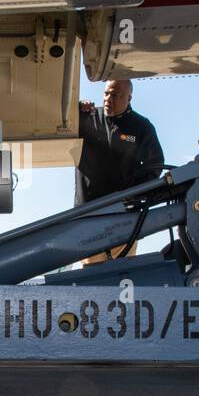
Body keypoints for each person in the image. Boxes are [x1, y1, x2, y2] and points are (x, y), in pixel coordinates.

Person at [76, 79, 165, 264]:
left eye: (115, 95)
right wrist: (75, 108)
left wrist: (131, 194)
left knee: (122, 275)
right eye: (106, 93)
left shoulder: (141, 126)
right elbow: (61, 123)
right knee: (90, 278)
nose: (109, 98)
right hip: (89, 213)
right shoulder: (87, 117)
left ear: (129, 97)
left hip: (124, 216)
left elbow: (156, 165)